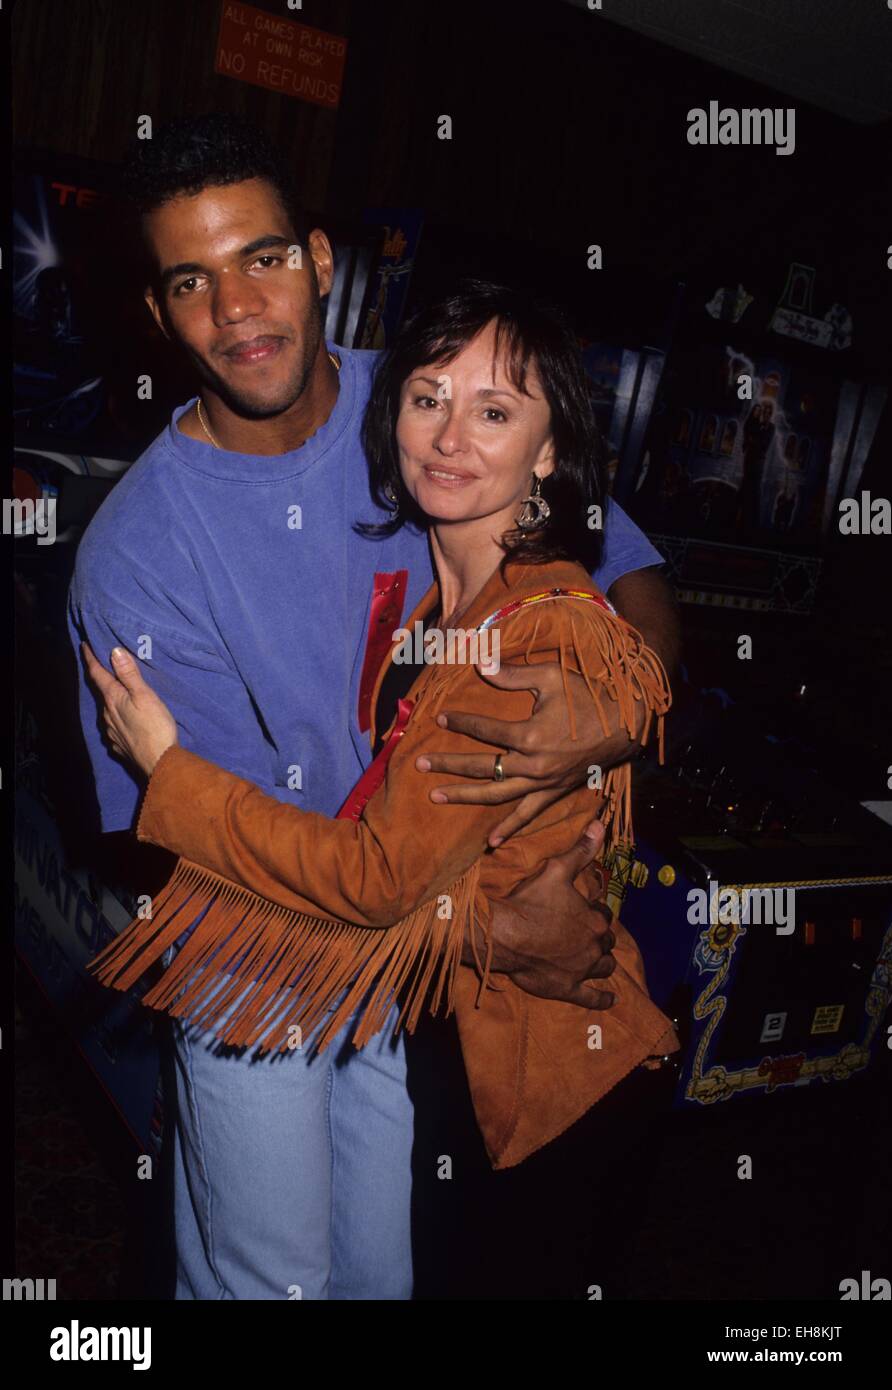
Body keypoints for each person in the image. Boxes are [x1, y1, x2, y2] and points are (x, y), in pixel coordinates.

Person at [67, 113, 680, 1301]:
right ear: (157, 315)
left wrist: (623, 706)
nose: (238, 309)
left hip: (397, 962)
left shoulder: (425, 411)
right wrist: (484, 929)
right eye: (192, 281)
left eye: (264, 257)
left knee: (380, 1275)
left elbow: (632, 575)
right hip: (256, 952)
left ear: (322, 262)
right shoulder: (136, 554)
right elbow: (227, 853)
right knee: (270, 1284)